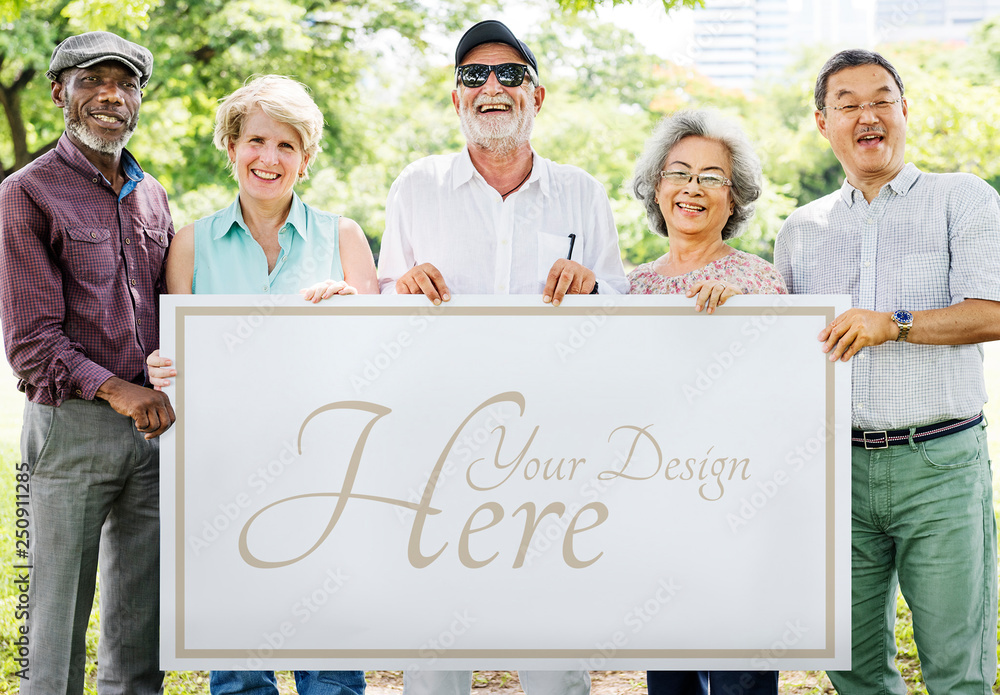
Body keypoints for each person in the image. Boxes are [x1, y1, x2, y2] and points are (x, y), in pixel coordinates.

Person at [377, 18, 628, 695]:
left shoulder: (583, 191)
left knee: (554, 652)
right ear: (455, 96)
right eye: (474, 76)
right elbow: (380, 314)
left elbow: (623, 306)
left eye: (510, 74)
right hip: (440, 445)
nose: (492, 87)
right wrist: (401, 289)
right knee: (434, 649)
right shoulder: (415, 188)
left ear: (536, 97)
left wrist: (593, 285)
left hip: (553, 448)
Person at [774, 49, 1000, 694]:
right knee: (852, 669)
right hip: (837, 472)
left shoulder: (962, 198)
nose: (867, 115)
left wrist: (892, 323)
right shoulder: (801, 229)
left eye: (881, 100)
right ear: (823, 123)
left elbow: (992, 312)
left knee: (958, 672)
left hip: (941, 466)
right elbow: (784, 350)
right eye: (847, 104)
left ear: (905, 111)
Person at [148, 75, 375, 695]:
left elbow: (381, 363)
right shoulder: (190, 244)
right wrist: (160, 368)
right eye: (255, 140)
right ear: (231, 147)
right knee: (240, 670)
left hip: (328, 477)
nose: (268, 158)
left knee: (330, 668)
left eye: (286, 145)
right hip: (228, 474)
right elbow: (177, 358)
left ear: (306, 158)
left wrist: (355, 306)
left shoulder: (344, 238)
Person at [0, 31, 175, 694]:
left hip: (153, 434)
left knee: (140, 624)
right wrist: (118, 391)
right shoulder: (27, 193)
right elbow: (31, 342)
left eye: (125, 83)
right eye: (92, 79)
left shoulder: (152, 195)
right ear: (58, 92)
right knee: (53, 620)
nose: (110, 94)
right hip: (71, 428)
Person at [629, 110, 783, 695]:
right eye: (680, 173)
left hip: (738, 506)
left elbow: (780, 397)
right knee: (670, 678)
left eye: (712, 177)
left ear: (734, 197)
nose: (693, 188)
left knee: (741, 674)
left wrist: (745, 316)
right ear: (658, 188)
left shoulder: (759, 283)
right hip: (656, 509)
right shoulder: (632, 288)